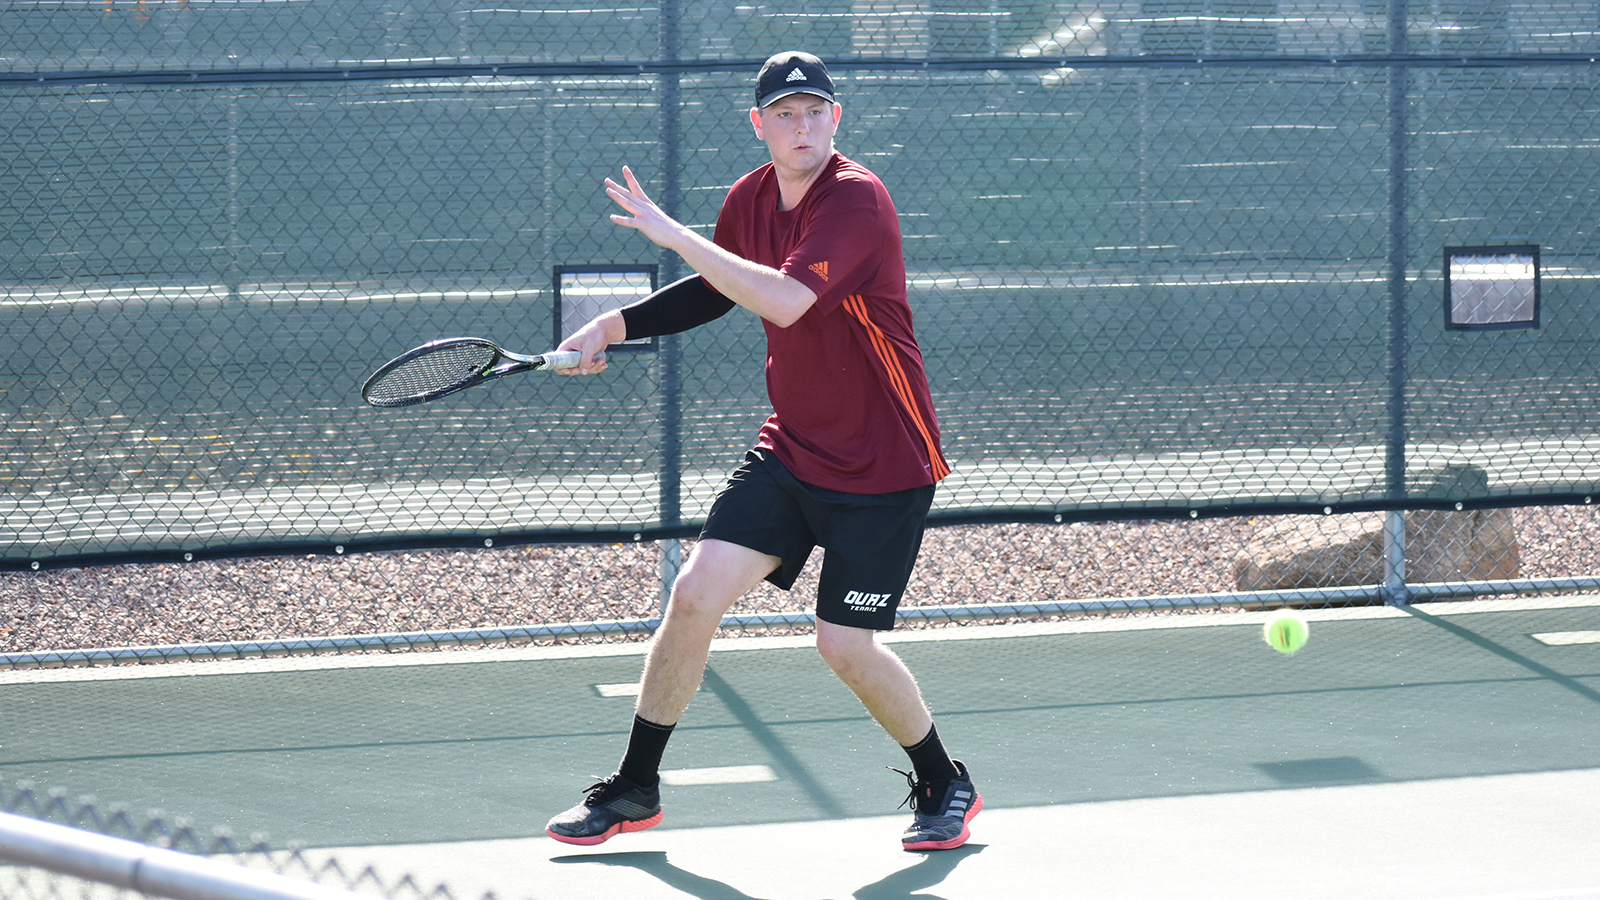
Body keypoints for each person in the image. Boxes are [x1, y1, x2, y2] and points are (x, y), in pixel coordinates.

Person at [544, 50, 979, 853]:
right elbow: (720, 287)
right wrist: (616, 324)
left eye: (816, 110)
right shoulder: (749, 197)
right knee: (695, 594)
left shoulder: (857, 200)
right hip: (794, 448)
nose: (802, 125)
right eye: (785, 113)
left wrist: (671, 234)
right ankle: (636, 787)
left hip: (884, 462)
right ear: (760, 125)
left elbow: (781, 300)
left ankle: (943, 779)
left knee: (842, 646)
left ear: (836, 118)